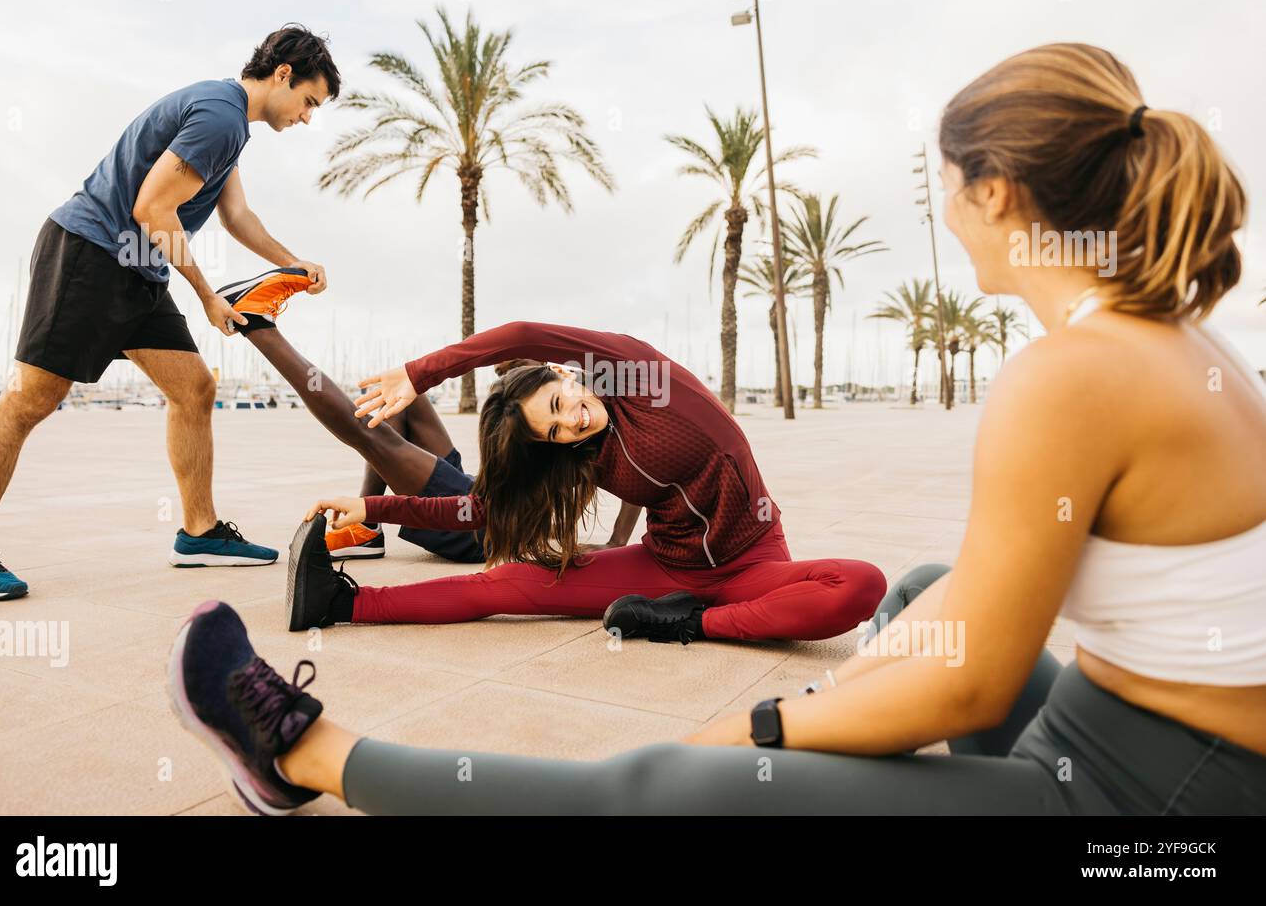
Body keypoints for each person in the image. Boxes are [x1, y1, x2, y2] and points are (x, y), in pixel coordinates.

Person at [169, 43, 1266, 814]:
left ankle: (302, 756)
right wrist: (387, 502)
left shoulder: (1073, 374)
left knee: (681, 786)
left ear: (997, 192)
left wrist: (765, 727)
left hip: (1148, 800)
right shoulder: (1159, 341)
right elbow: (486, 515)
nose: (939, 202)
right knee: (927, 591)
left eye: (944, 178)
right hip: (1115, 729)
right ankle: (352, 610)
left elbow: (971, 687)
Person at [0, 24, 342, 600]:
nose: (307, 117)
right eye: (309, 102)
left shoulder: (231, 126)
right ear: (283, 75)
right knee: (30, 400)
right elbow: (151, 208)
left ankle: (200, 533)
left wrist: (293, 263)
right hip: (90, 254)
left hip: (138, 267)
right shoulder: (219, 115)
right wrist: (207, 294)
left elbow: (236, 217)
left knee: (193, 388)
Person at [285, 320, 887, 643]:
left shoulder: (640, 376)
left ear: (561, 375)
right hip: (666, 568)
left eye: (560, 403)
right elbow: (479, 512)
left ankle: (688, 624)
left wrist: (423, 372)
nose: (571, 425)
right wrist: (372, 509)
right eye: (554, 433)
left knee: (860, 584)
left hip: (752, 562)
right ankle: (343, 603)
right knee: (505, 586)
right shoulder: (582, 452)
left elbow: (522, 336)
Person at [219, 295, 644, 563]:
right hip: (474, 489)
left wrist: (618, 541)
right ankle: (366, 533)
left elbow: (646, 471)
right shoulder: (561, 408)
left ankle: (258, 326)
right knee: (407, 401)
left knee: (369, 434)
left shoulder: (596, 419)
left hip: (479, 529)